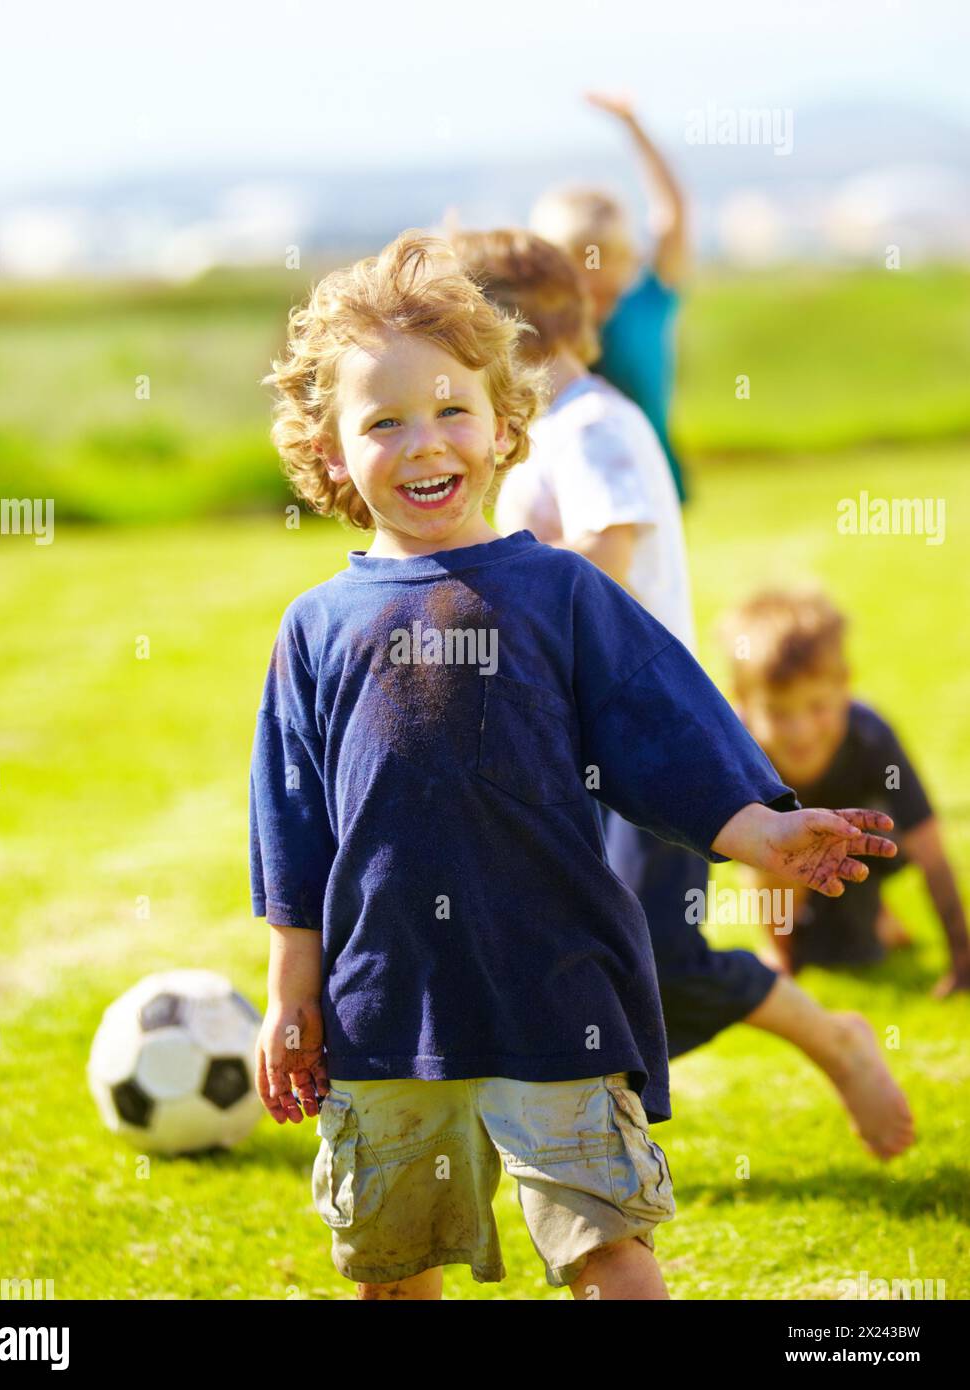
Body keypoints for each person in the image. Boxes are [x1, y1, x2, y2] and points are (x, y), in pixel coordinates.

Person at [249, 228, 901, 1302]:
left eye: (452, 408)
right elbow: (290, 827)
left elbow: (662, 728)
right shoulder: (314, 628)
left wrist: (759, 829)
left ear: (506, 424)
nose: (425, 443)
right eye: (383, 422)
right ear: (328, 453)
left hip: (556, 990)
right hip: (385, 1003)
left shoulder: (558, 592)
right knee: (391, 1262)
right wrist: (291, 994)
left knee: (606, 1248)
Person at [453, 225, 915, 1166]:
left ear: (508, 345)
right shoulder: (551, 434)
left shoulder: (592, 430)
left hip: (641, 746)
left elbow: (602, 572)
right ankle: (553, 1147)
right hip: (572, 749)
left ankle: (836, 1042)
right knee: (574, 951)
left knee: (660, 957)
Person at [721, 590, 970, 994]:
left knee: (859, 952)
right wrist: (782, 957)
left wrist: (963, 959)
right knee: (773, 853)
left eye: (817, 706)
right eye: (780, 713)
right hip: (778, 855)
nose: (801, 731)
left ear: (844, 686)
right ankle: (782, 953)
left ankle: (873, 913)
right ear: (743, 701)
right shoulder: (736, 743)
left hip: (864, 843)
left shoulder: (871, 735)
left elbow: (929, 849)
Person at [529, 92, 691, 501]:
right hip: (568, 474)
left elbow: (674, 212)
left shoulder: (648, 301)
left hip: (650, 468)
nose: (592, 305)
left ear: (625, 264)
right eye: (578, 290)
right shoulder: (544, 328)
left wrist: (633, 124)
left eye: (603, 290)